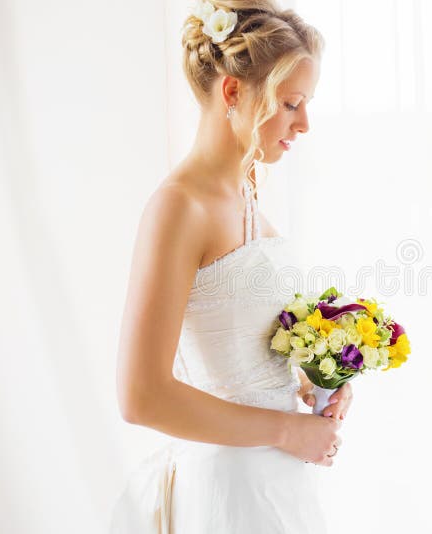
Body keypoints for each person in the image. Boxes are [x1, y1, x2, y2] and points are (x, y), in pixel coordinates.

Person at [110, 1, 352, 532]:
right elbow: (140, 396)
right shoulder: (179, 206)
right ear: (233, 92)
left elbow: (240, 347)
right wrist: (289, 432)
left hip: (276, 485)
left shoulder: (247, 195)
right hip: (229, 492)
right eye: (291, 103)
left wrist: (318, 380)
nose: (305, 123)